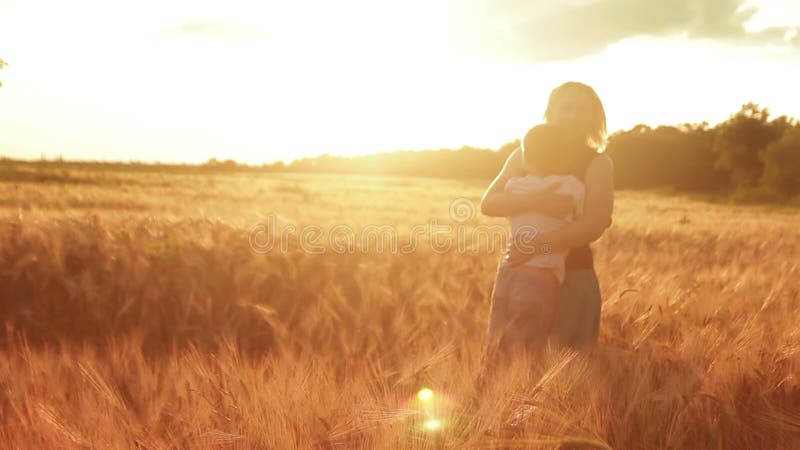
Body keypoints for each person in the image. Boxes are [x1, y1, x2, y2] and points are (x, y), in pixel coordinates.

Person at [480, 81, 614, 364]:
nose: (573, 116)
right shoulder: (524, 154)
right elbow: (490, 203)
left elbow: (595, 224)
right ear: (550, 113)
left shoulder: (598, 163)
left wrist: (535, 246)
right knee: (508, 361)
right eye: (566, 108)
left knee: (563, 370)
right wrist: (538, 201)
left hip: (573, 278)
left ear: (594, 117)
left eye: (582, 110)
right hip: (521, 273)